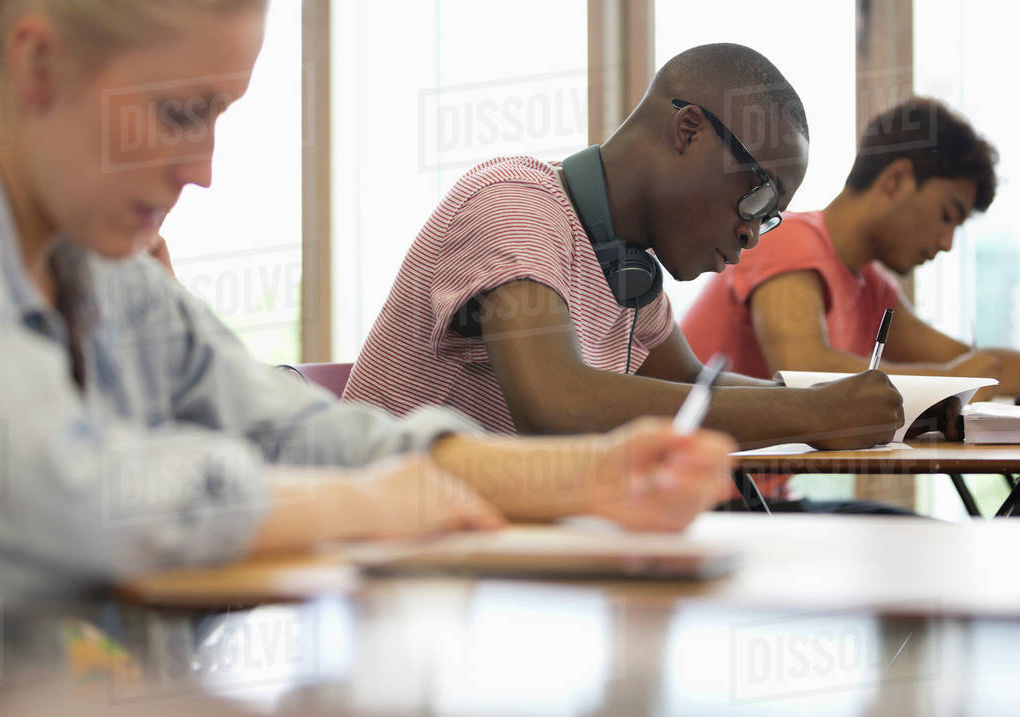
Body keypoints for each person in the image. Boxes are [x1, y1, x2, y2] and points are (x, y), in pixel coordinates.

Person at [0, 0, 737, 605]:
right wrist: (359, 504)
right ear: (37, 64)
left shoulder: (104, 274)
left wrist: (589, 474)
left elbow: (312, 435)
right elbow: (66, 503)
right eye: (178, 114)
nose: (202, 170)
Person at [343, 43, 905, 463]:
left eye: (770, 217)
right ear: (688, 130)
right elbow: (557, 407)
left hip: (496, 563)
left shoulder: (626, 267)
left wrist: (867, 404)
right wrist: (816, 414)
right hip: (397, 567)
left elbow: (690, 383)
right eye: (757, 197)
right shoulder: (514, 205)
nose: (753, 235)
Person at [681, 97, 1020, 394]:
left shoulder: (871, 287)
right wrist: (950, 382)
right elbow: (803, 370)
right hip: (706, 506)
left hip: (764, 502)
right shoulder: (790, 238)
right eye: (947, 215)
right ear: (897, 180)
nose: (945, 244)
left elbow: (972, 363)